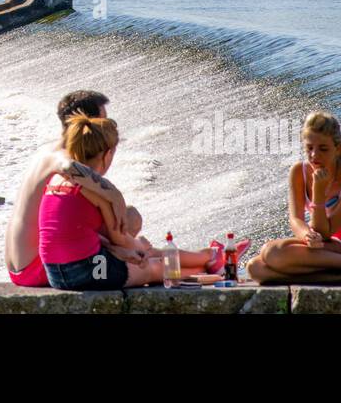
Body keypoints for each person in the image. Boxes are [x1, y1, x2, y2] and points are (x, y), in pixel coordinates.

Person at [39, 115, 225, 289]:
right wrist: (143, 249)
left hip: (55, 274)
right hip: (86, 271)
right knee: (154, 268)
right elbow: (121, 239)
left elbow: (74, 235)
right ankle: (208, 267)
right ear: (108, 154)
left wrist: (126, 251)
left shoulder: (56, 181)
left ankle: (208, 260)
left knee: (146, 259)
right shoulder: (97, 191)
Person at [6, 91, 129, 287]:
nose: (106, 127)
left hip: (19, 268)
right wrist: (114, 194)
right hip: (38, 266)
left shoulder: (46, 150)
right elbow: (66, 166)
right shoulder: (61, 155)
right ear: (87, 122)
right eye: (103, 121)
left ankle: (123, 255)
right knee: (129, 218)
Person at [245, 111, 341, 285]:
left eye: (323, 149)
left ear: (337, 149)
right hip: (320, 243)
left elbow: (325, 232)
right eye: (309, 148)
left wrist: (318, 191)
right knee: (255, 268)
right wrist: (307, 235)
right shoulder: (299, 172)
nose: (314, 155)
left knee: (272, 253)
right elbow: (295, 218)